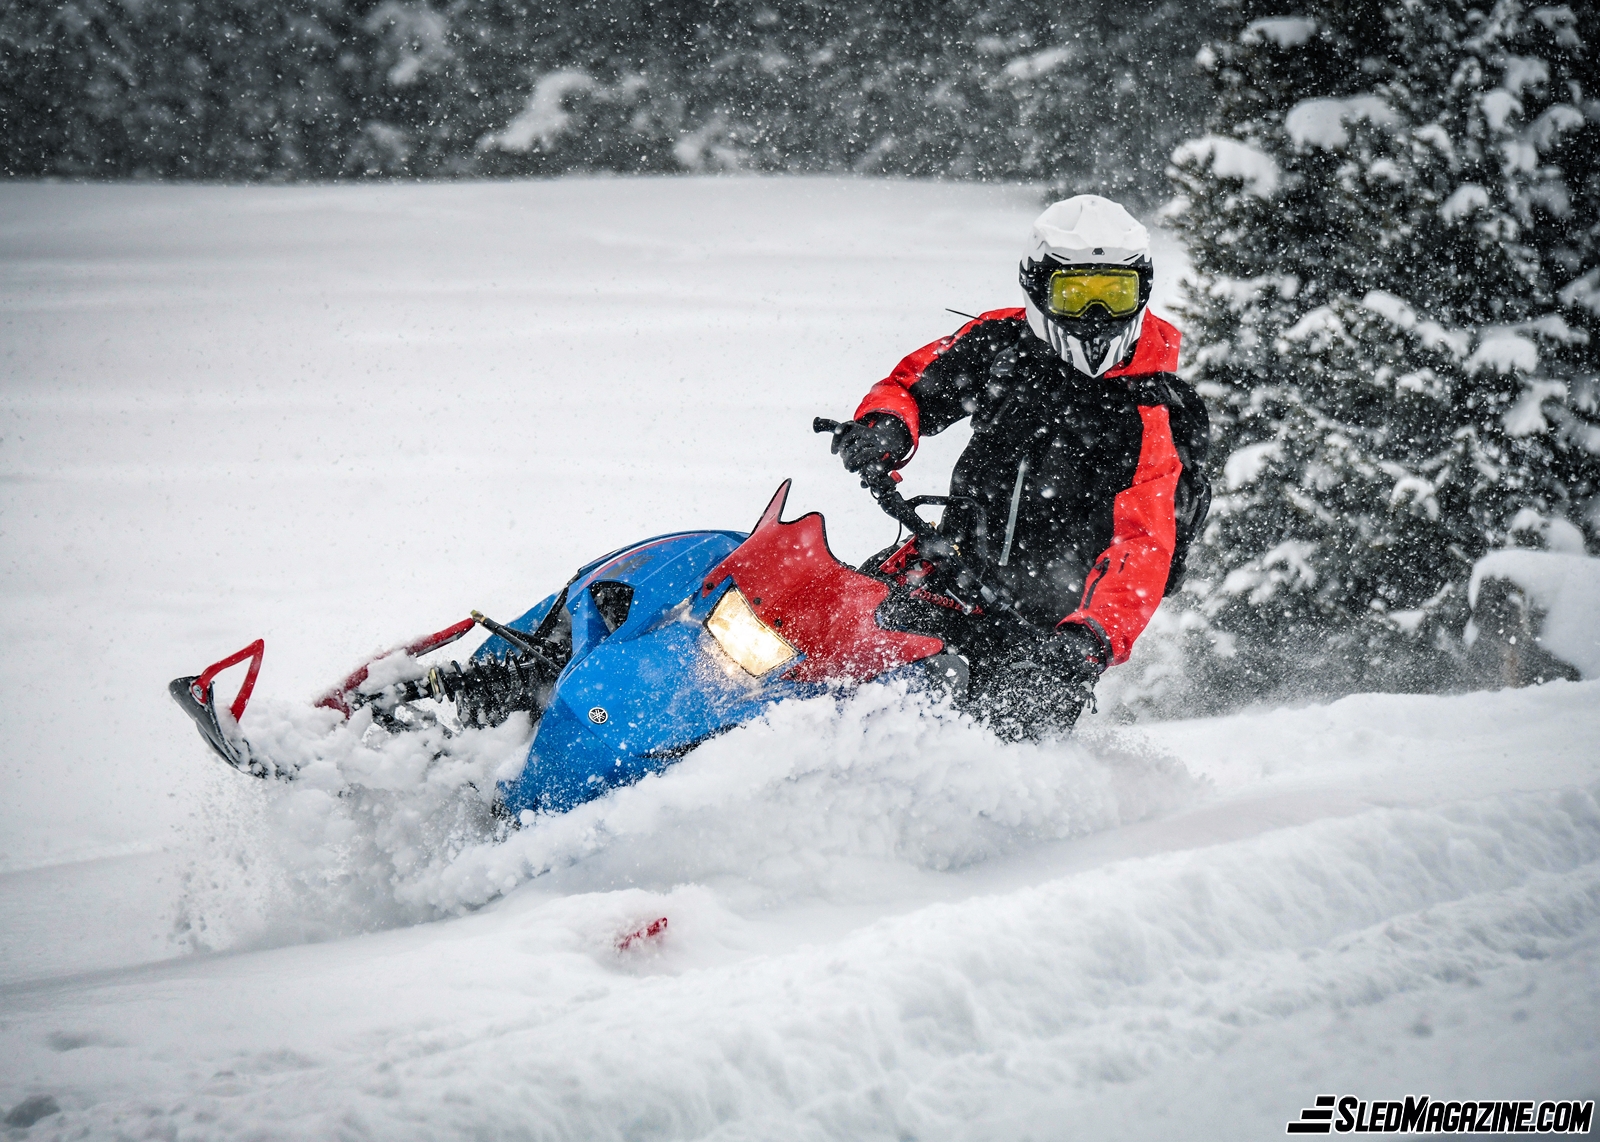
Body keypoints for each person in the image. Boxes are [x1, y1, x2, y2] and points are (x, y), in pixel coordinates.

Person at [828, 195, 1211, 739]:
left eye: (1114, 294)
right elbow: (910, 386)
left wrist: (1091, 639)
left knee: (983, 747)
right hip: (945, 570)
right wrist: (885, 427)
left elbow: (1145, 544)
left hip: (1047, 635)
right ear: (1037, 286)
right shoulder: (999, 344)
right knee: (828, 648)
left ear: (1142, 291)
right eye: (1077, 294)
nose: (1096, 318)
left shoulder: (1155, 411)